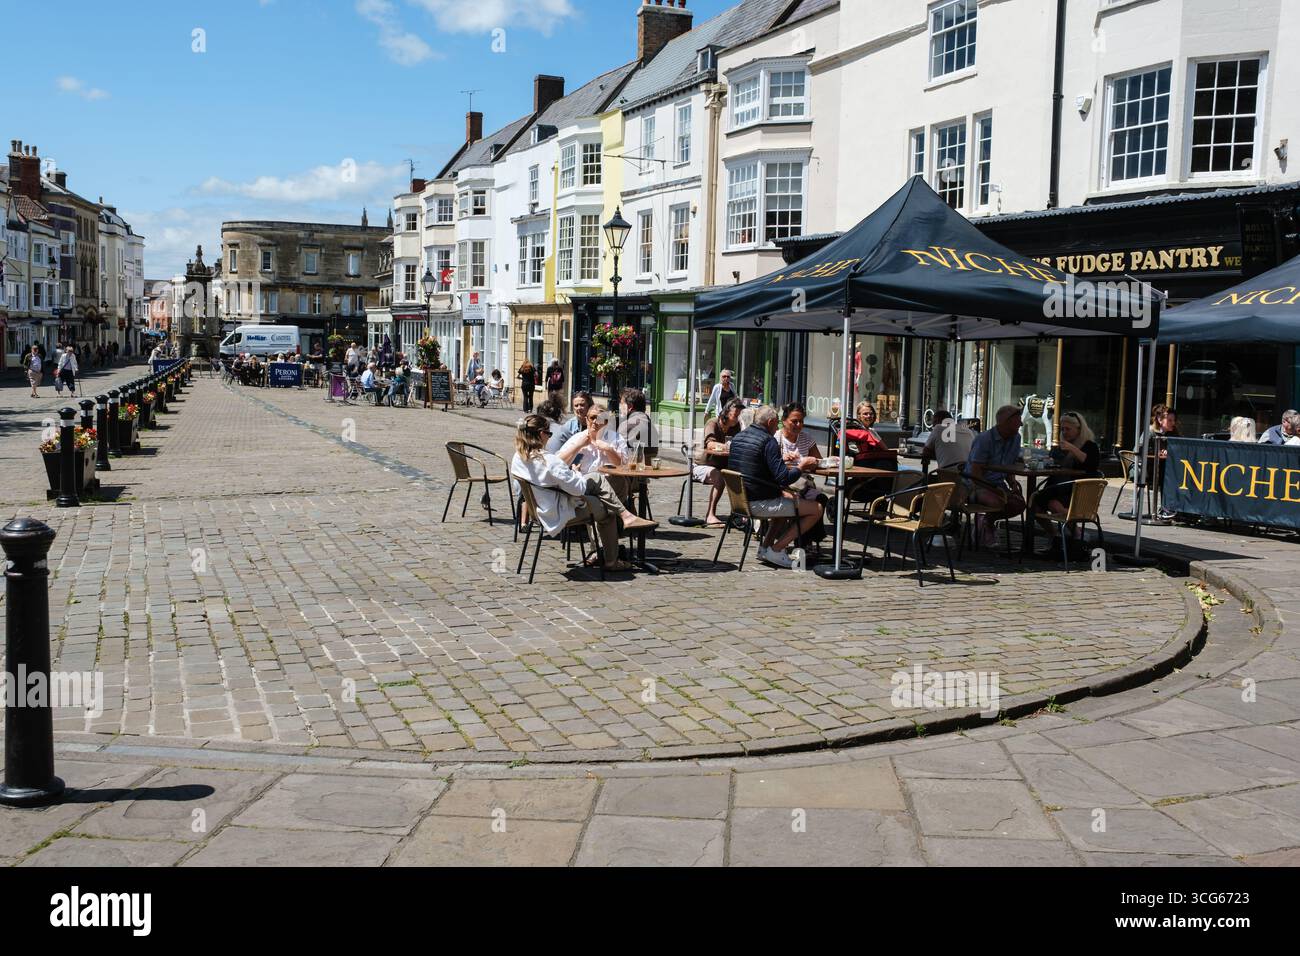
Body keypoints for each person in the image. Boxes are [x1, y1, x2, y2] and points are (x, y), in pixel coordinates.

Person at [511, 414, 653, 572]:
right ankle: (612, 560)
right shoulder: (548, 460)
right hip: (560, 511)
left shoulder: (518, 458)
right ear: (541, 434)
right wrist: (576, 472)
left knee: (595, 479)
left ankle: (626, 516)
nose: (549, 438)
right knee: (606, 511)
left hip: (541, 508)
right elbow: (577, 489)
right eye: (549, 434)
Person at [728, 405, 823, 569]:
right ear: (771, 422)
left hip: (740, 501)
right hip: (759, 503)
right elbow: (784, 478)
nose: (777, 427)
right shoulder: (768, 441)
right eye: (777, 423)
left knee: (786, 500)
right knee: (817, 508)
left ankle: (765, 548)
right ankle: (777, 549)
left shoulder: (738, 438)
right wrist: (801, 465)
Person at [1032, 411, 1101, 555]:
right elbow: (1054, 463)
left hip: (1080, 492)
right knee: (1035, 506)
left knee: (1047, 501)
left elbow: (1091, 465)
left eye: (1068, 429)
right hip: (1060, 487)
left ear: (1079, 429)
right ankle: (1056, 536)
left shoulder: (1090, 446)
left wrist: (1072, 448)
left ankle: (1076, 534)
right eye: (1062, 429)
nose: (1065, 432)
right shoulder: (1062, 446)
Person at [964, 405, 1026, 548]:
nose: (1021, 424)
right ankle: (987, 526)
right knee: (997, 502)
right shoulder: (984, 439)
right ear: (1005, 422)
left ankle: (986, 521)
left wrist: (1012, 484)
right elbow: (975, 472)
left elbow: (1009, 464)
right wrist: (995, 490)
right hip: (975, 484)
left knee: (1019, 504)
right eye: (1018, 420)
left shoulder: (1016, 438)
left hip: (998, 484)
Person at [692, 397, 744, 528]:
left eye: (739, 415)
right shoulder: (713, 423)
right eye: (735, 415)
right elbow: (710, 444)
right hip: (702, 465)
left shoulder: (736, 426)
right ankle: (710, 515)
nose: (737, 418)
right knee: (719, 478)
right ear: (726, 412)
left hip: (723, 464)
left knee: (741, 477)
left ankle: (740, 514)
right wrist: (727, 447)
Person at [920, 409, 975, 473]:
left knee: (928, 479)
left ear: (938, 420)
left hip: (948, 473)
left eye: (934, 422)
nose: (933, 426)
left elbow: (926, 452)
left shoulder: (938, 428)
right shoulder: (968, 431)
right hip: (969, 473)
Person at [618, 388, 658, 460]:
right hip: (649, 468)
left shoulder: (627, 425)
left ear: (630, 406)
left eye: (621, 403)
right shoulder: (650, 424)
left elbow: (618, 454)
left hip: (631, 468)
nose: (620, 407)